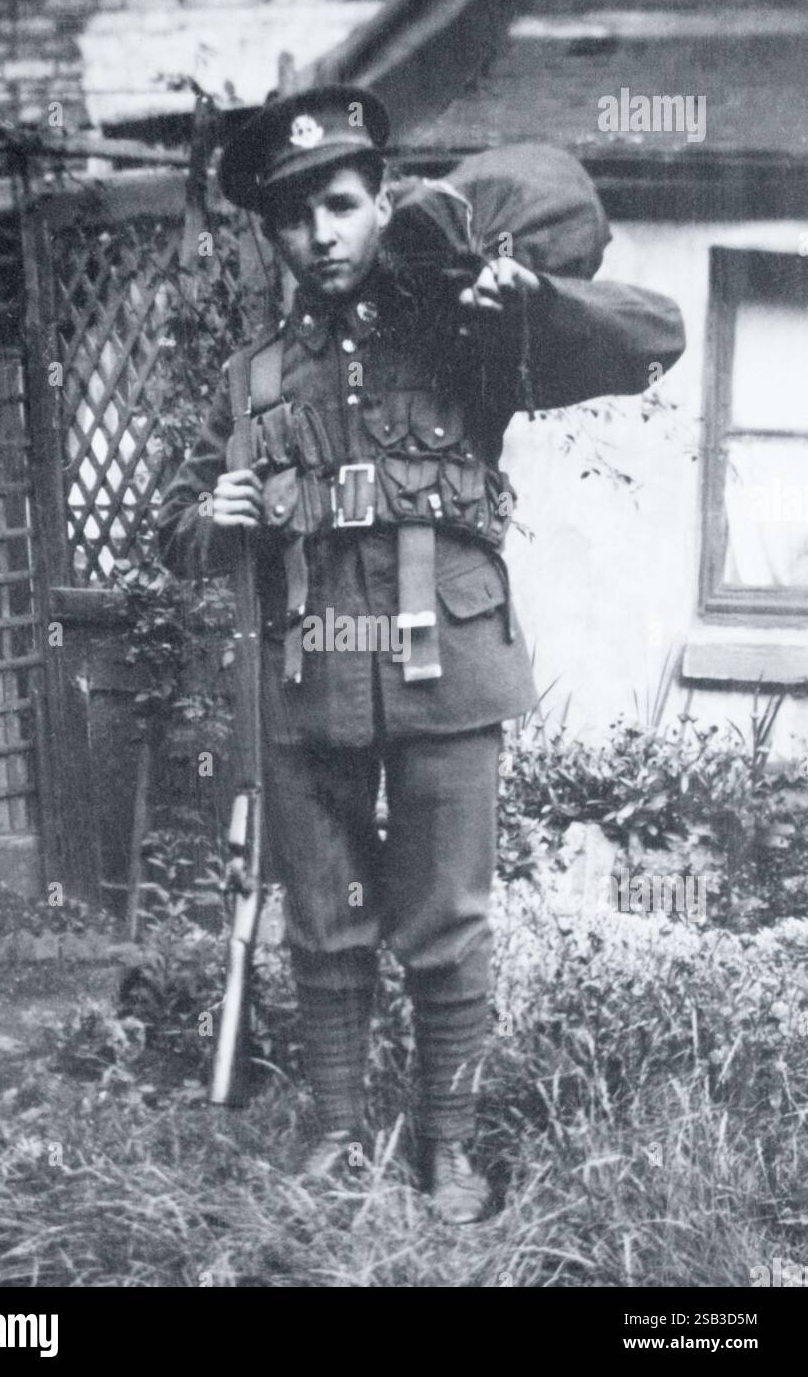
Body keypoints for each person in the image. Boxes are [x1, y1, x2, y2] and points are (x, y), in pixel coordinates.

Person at [157, 85, 685, 1223]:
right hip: (304, 679)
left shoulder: (462, 328)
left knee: (446, 925)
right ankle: (341, 1132)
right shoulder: (249, 382)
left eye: (341, 205)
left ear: (378, 200)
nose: (322, 235)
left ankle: (444, 1149)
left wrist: (530, 296)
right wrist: (218, 514)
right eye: (294, 218)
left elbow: (652, 338)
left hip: (446, 670)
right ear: (272, 233)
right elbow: (171, 527)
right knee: (325, 922)